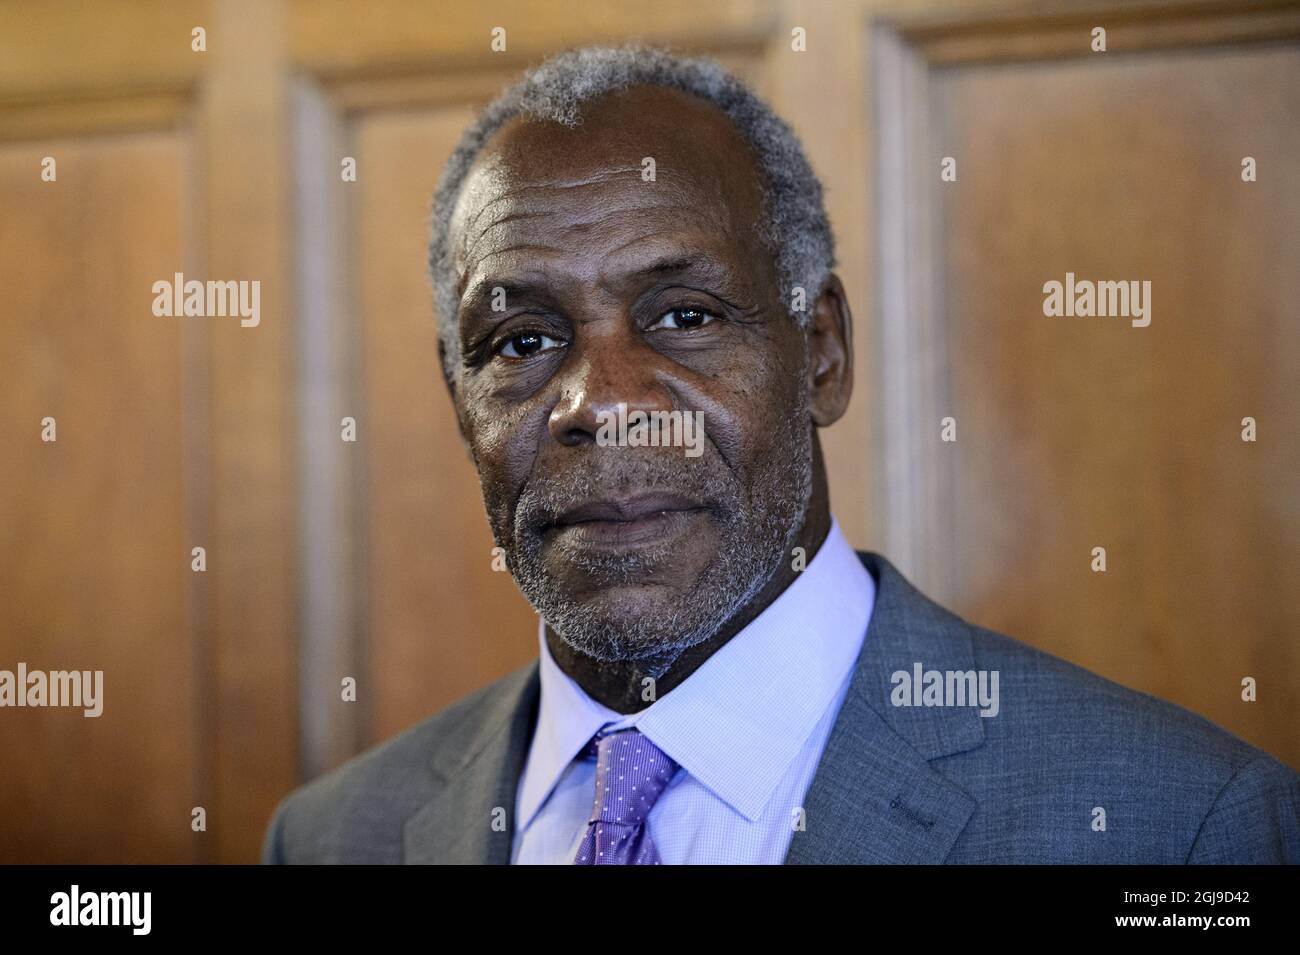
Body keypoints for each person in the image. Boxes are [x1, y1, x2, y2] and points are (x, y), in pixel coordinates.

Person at [261, 44, 1298, 864]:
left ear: (822, 353)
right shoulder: (334, 836)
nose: (602, 403)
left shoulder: (1179, 823)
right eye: (523, 341)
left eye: (683, 315)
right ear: (461, 404)